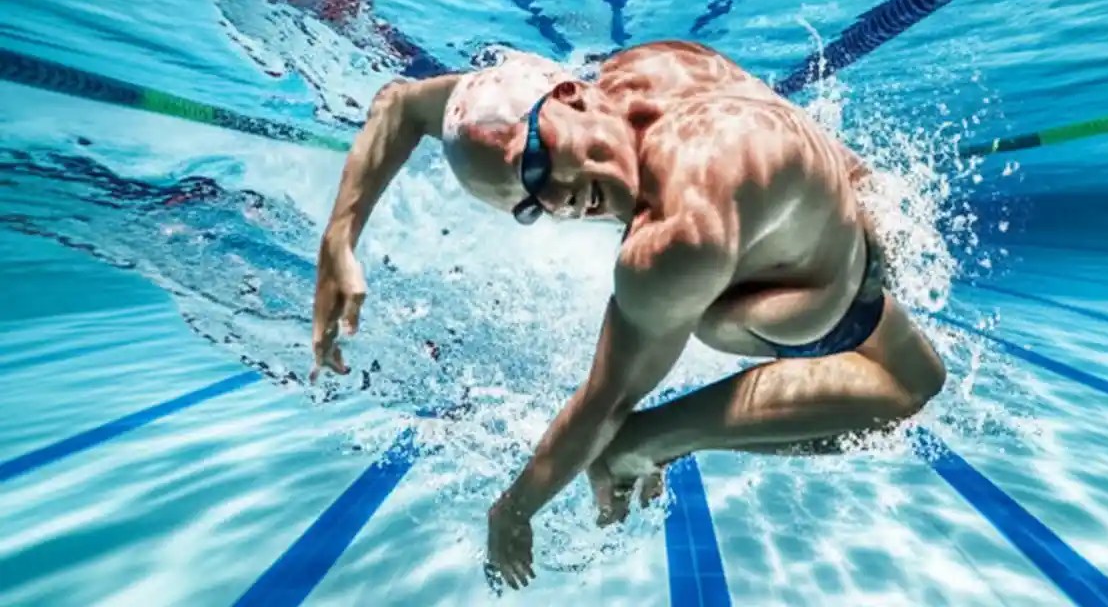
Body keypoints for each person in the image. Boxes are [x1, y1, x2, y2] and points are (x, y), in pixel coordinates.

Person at [310, 41, 946, 591]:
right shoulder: (653, 65)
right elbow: (403, 103)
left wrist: (513, 509)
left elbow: (604, 401)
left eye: (535, 166)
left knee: (907, 392)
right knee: (922, 380)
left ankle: (652, 443)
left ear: (566, 97)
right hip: (837, 205)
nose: (558, 202)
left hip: (811, 293)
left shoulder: (675, 238)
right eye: (530, 206)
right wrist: (337, 242)